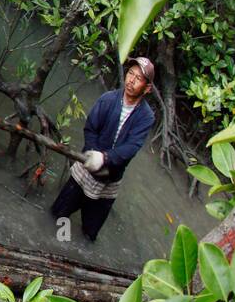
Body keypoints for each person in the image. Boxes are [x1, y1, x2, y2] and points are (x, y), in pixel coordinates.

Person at [50, 57, 156, 242]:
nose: (131, 80)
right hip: (86, 169)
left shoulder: (146, 117)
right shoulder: (107, 99)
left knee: (89, 234)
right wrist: (93, 154)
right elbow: (91, 129)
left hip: (110, 180)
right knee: (59, 217)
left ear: (147, 88)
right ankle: (56, 245)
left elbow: (132, 147)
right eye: (130, 73)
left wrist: (105, 158)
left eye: (138, 78)